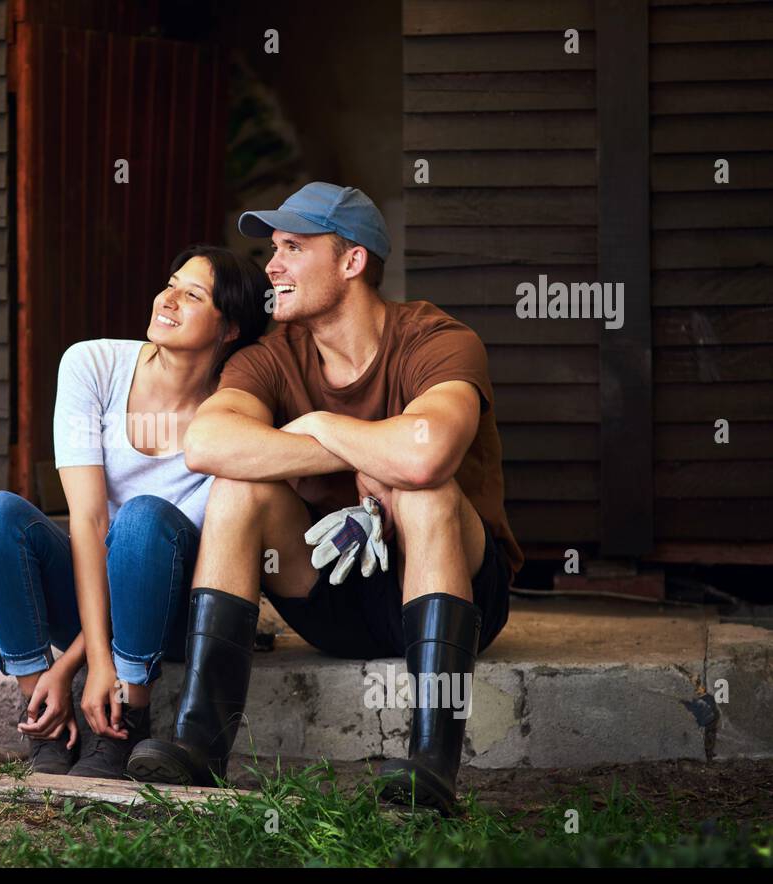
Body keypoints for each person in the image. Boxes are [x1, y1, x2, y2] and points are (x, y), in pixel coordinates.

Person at [127, 183, 524, 814]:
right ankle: (199, 745)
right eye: (271, 249)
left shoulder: (436, 339)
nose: (271, 266)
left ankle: (431, 766)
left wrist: (319, 426)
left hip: (459, 593)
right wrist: (363, 452)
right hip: (330, 591)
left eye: (292, 247)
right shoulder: (270, 356)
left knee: (423, 492)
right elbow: (207, 443)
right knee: (239, 485)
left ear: (352, 261)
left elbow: (424, 454)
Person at [0, 245, 272, 777]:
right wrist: (72, 666)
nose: (167, 299)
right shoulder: (93, 364)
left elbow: (153, 543)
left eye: (192, 295)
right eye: (170, 283)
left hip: (171, 612)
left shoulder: (235, 415)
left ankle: (127, 715)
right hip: (94, 598)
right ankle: (42, 711)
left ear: (230, 330)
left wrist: (93, 663)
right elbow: (88, 522)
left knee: (144, 518)